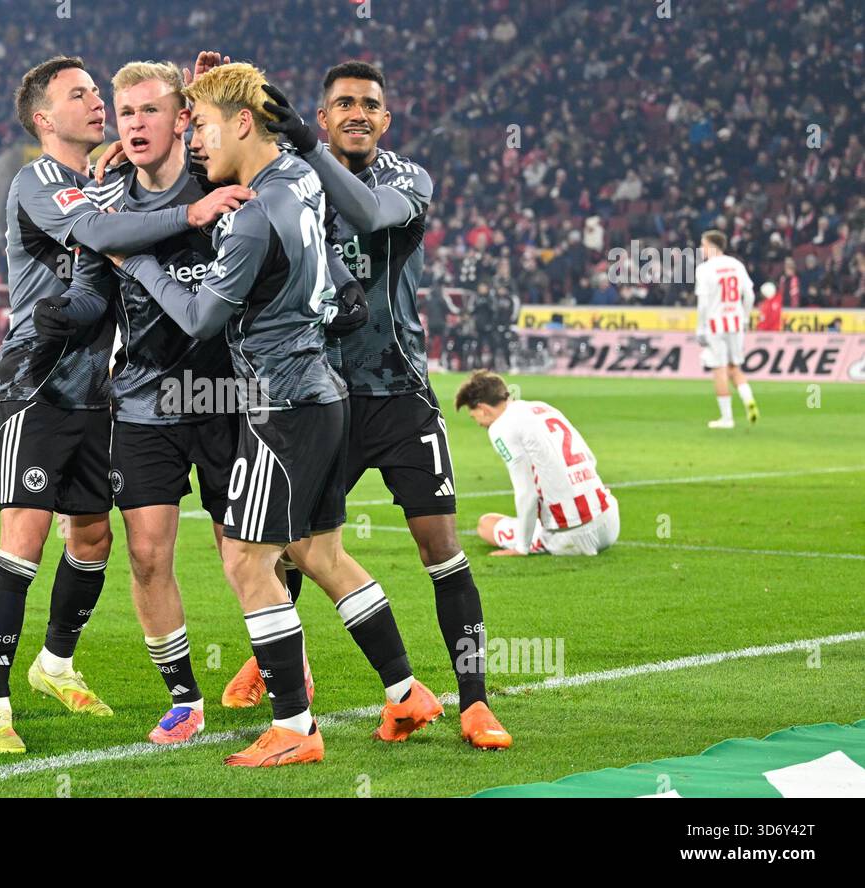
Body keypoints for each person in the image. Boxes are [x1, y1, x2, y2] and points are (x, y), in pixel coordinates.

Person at [110, 62, 441, 767]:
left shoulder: (253, 214)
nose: (194, 140)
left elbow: (200, 319)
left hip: (279, 405)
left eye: (199, 126)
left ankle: (294, 727)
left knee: (247, 560)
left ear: (239, 125)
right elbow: (259, 123)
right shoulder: (297, 176)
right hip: (325, 394)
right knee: (320, 552)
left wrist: (135, 264)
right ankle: (406, 689)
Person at [0, 56, 252, 754]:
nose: (100, 105)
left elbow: (168, 153)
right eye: (81, 96)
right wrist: (187, 211)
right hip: (34, 387)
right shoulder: (41, 179)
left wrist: (196, 97)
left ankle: (55, 664)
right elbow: (101, 237)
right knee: (24, 543)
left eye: (104, 95)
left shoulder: (113, 179)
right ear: (44, 119)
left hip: (99, 392)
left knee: (93, 540)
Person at [251, 61, 512, 749]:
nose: (358, 113)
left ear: (385, 119)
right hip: (322, 395)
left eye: (369, 103)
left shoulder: (406, 178)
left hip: (398, 396)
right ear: (325, 113)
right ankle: (284, 663)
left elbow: (367, 215)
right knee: (291, 544)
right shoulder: (294, 180)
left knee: (442, 550)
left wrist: (304, 146)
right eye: (343, 104)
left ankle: (475, 702)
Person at [455, 370, 619, 557]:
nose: (477, 422)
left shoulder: (500, 427)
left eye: (473, 415)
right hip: (609, 519)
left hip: (572, 536)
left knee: (486, 524)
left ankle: (532, 540)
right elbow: (589, 457)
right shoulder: (541, 407)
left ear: (483, 408)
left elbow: (527, 492)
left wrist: (521, 548)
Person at [694, 229, 759, 428]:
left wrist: (700, 327)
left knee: (719, 369)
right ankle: (748, 400)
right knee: (734, 368)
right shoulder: (736, 264)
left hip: (716, 323)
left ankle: (727, 418)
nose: (701, 249)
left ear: (712, 246)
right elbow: (749, 295)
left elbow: (703, 303)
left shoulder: (704, 269)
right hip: (736, 321)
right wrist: (746, 317)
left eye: (703, 245)